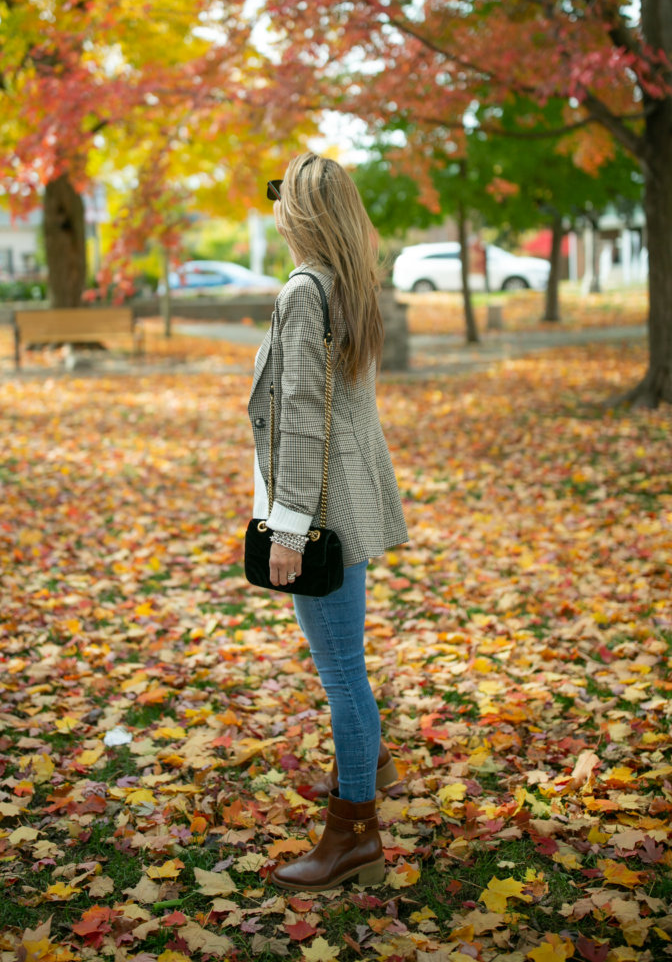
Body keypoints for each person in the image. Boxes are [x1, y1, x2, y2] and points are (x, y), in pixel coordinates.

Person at [248, 152, 408, 892]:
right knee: (348, 664)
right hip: (348, 498)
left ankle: (354, 838)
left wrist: (286, 529)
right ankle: (367, 767)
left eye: (280, 199)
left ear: (300, 213)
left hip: (322, 515)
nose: (276, 211)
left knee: (342, 673)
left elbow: (305, 417)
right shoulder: (351, 284)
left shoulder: (305, 291)